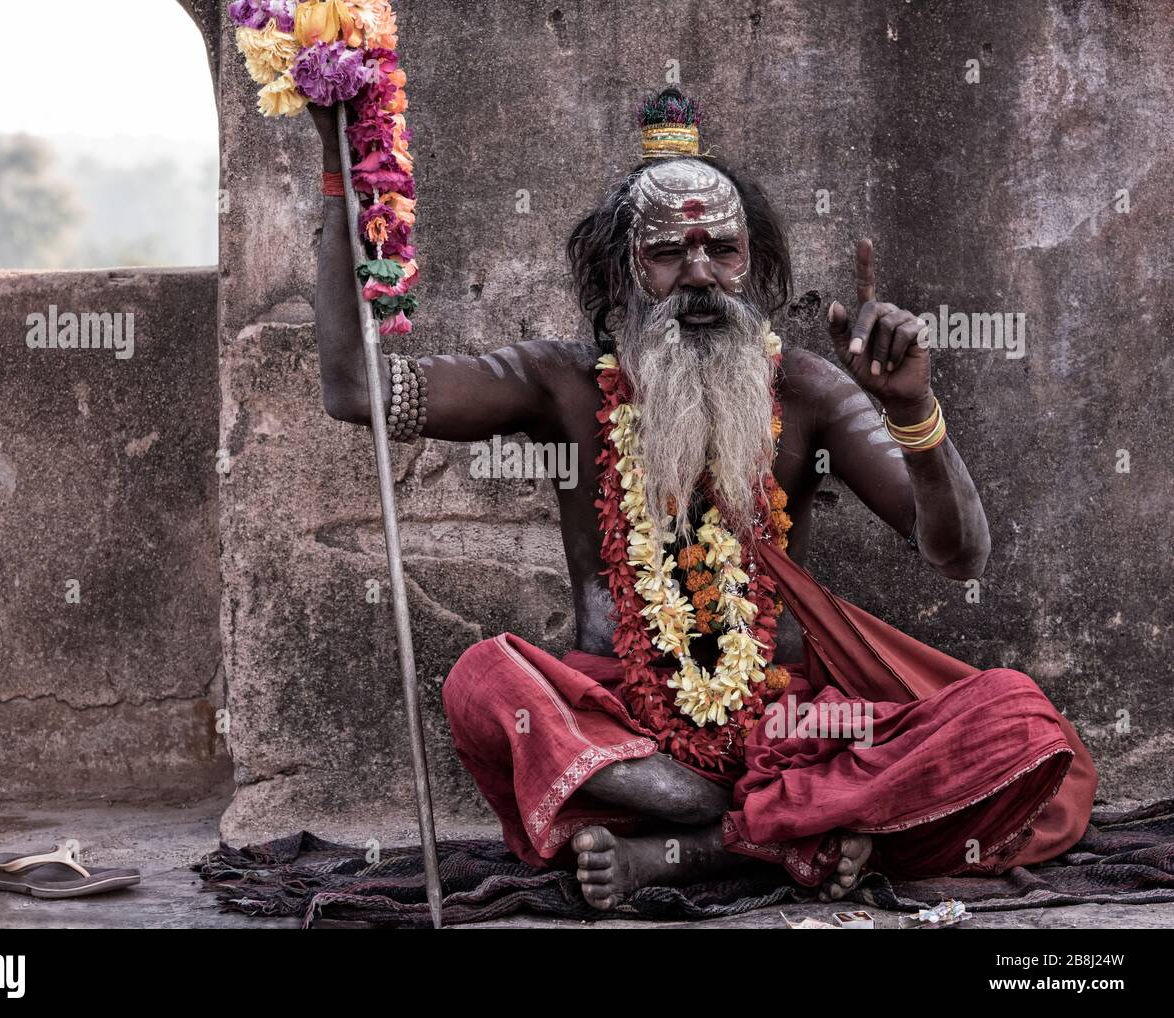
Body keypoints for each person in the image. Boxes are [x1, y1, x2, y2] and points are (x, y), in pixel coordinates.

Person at [307, 89, 1096, 909]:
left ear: (750, 264)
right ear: (624, 271)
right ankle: (776, 833)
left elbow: (958, 552)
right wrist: (339, 173)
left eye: (722, 250)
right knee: (482, 683)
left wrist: (912, 413)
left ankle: (693, 850)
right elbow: (356, 389)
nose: (698, 275)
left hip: (792, 734)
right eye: (668, 252)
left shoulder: (809, 390)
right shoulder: (564, 386)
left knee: (1019, 722)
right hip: (622, 736)